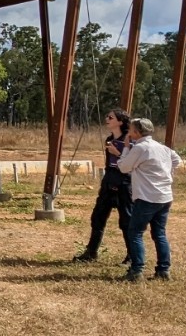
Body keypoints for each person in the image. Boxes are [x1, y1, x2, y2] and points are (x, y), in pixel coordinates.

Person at [116, 117, 182, 282]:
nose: (128, 133)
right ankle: (163, 270)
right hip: (165, 196)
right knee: (159, 233)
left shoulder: (140, 148)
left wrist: (125, 148)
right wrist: (163, 172)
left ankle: (136, 270)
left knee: (135, 233)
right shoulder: (162, 147)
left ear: (137, 132)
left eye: (130, 130)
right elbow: (177, 161)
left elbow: (123, 167)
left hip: (147, 197)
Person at [73, 108, 133, 264]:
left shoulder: (129, 140)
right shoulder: (109, 139)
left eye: (111, 117)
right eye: (107, 116)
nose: (107, 119)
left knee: (126, 221)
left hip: (125, 184)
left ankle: (132, 255)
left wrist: (118, 153)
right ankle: (91, 252)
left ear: (120, 121)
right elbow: (109, 163)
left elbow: (132, 164)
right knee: (98, 217)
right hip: (109, 181)